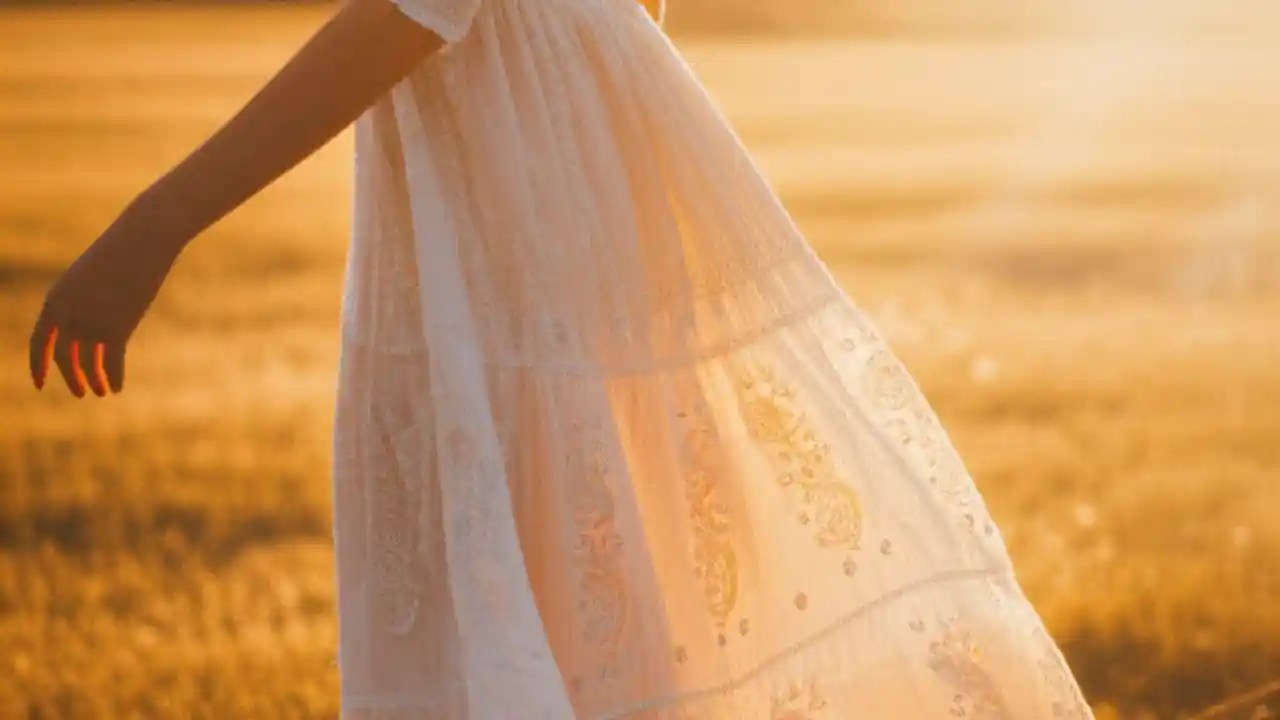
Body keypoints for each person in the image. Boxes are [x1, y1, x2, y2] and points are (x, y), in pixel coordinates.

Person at [28, 0, 1095, 717]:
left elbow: (403, 17)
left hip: (525, 231)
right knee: (601, 587)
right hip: (550, 197)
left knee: (562, 588)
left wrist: (150, 225)